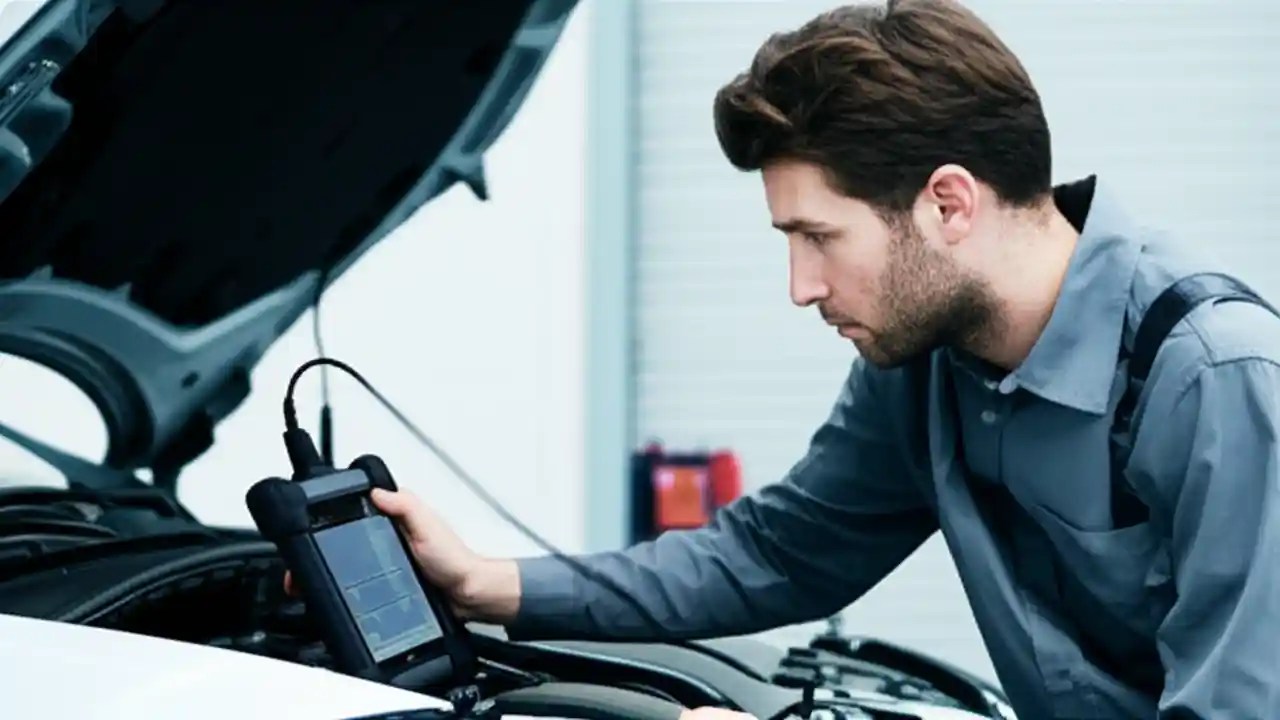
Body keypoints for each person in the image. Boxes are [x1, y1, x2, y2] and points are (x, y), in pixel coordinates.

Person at [296, 1, 1280, 718]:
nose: (799, 287)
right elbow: (775, 556)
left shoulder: (1214, 383)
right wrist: (486, 584)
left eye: (816, 236)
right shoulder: (927, 365)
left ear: (946, 204)